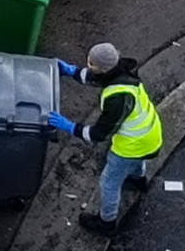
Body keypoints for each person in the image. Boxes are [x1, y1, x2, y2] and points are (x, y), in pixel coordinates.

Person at [45, 42, 164, 235]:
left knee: (109, 183)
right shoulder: (123, 72)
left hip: (132, 146)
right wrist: (70, 71)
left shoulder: (116, 99)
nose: (88, 65)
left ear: (102, 67)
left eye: (90, 63)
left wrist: (68, 126)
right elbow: (96, 76)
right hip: (150, 135)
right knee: (136, 162)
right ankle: (138, 180)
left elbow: (97, 135)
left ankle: (106, 222)